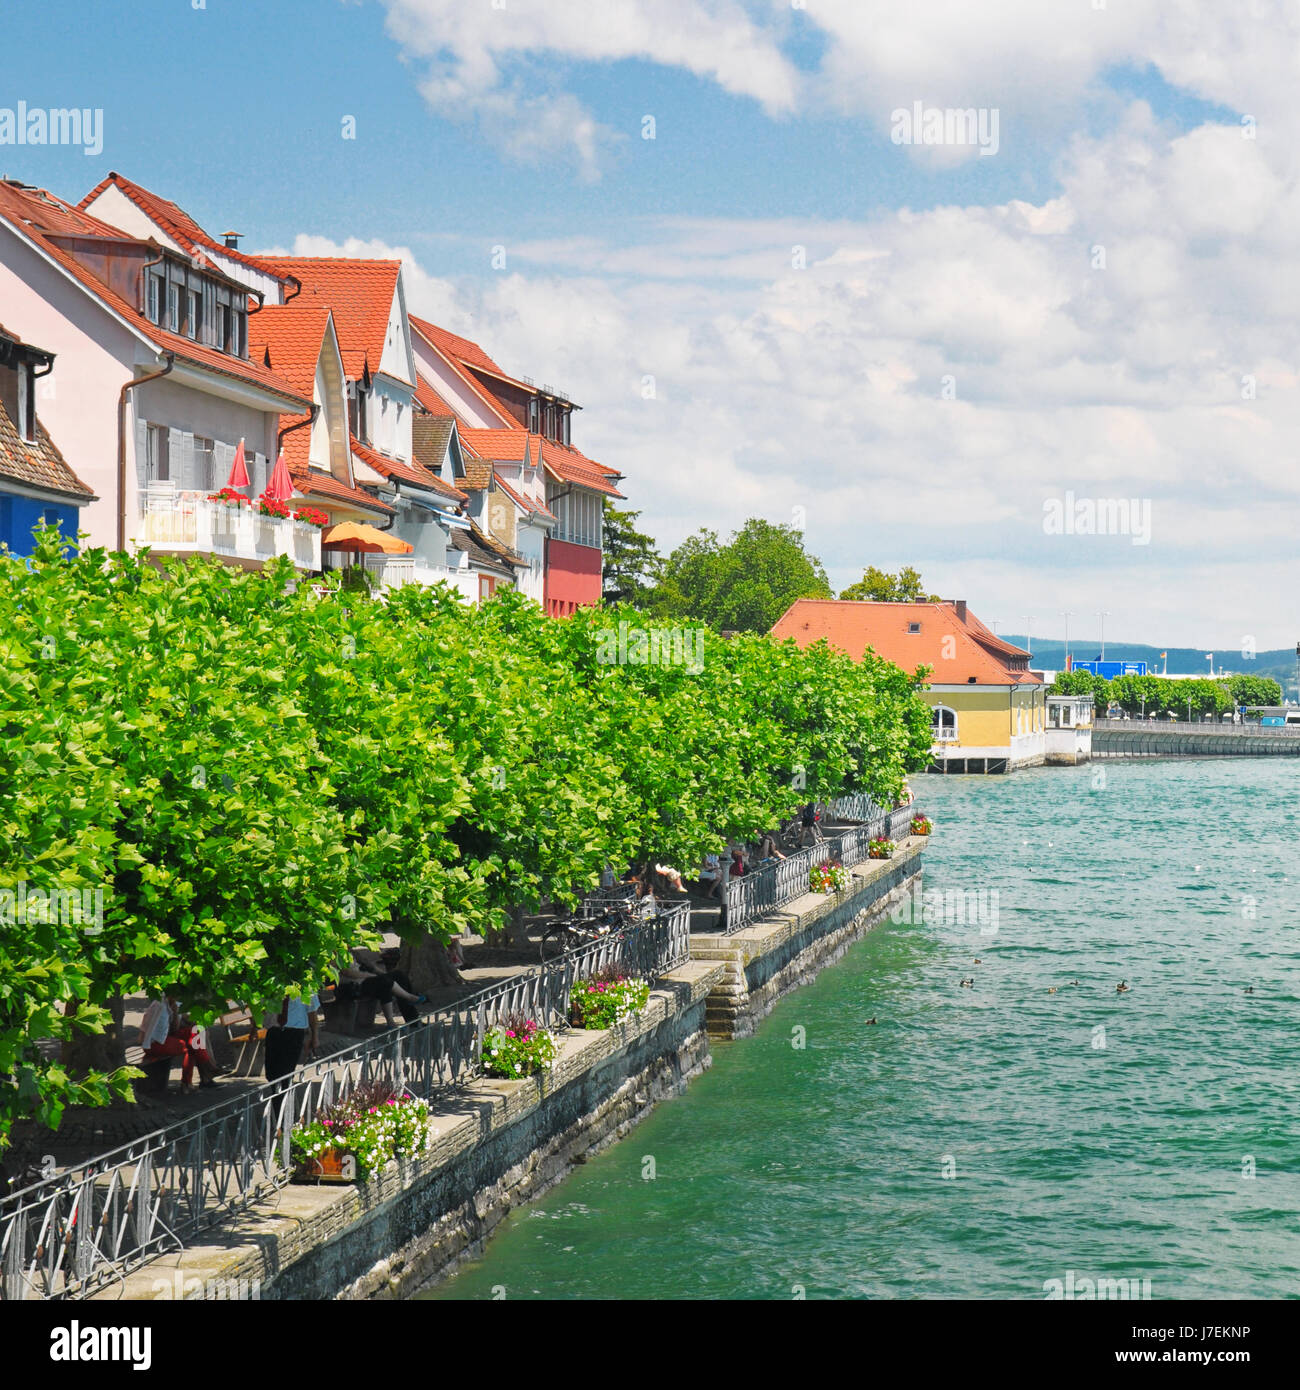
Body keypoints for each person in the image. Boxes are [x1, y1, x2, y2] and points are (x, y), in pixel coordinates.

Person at [140, 996, 219, 1090]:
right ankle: (197, 1076)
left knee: (198, 1031)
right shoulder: (160, 1006)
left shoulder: (175, 1004)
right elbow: (155, 1029)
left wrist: (176, 1013)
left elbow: (175, 1028)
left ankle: (206, 1068)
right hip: (154, 1043)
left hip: (165, 1039)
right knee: (191, 1045)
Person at [339, 950, 425, 1026]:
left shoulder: (352, 952)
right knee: (384, 983)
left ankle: (413, 1019)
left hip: (366, 979)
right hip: (352, 986)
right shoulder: (335, 954)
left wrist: (384, 975)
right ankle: (391, 1020)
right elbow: (347, 972)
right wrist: (371, 976)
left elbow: (371, 967)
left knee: (399, 975)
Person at [263, 990, 320, 1082]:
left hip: (294, 1032)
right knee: (271, 1073)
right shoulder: (272, 983)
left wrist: (314, 1036)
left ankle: (282, 1095)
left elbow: (312, 1013)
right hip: (274, 1031)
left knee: (286, 1072)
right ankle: (277, 1094)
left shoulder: (306, 985)